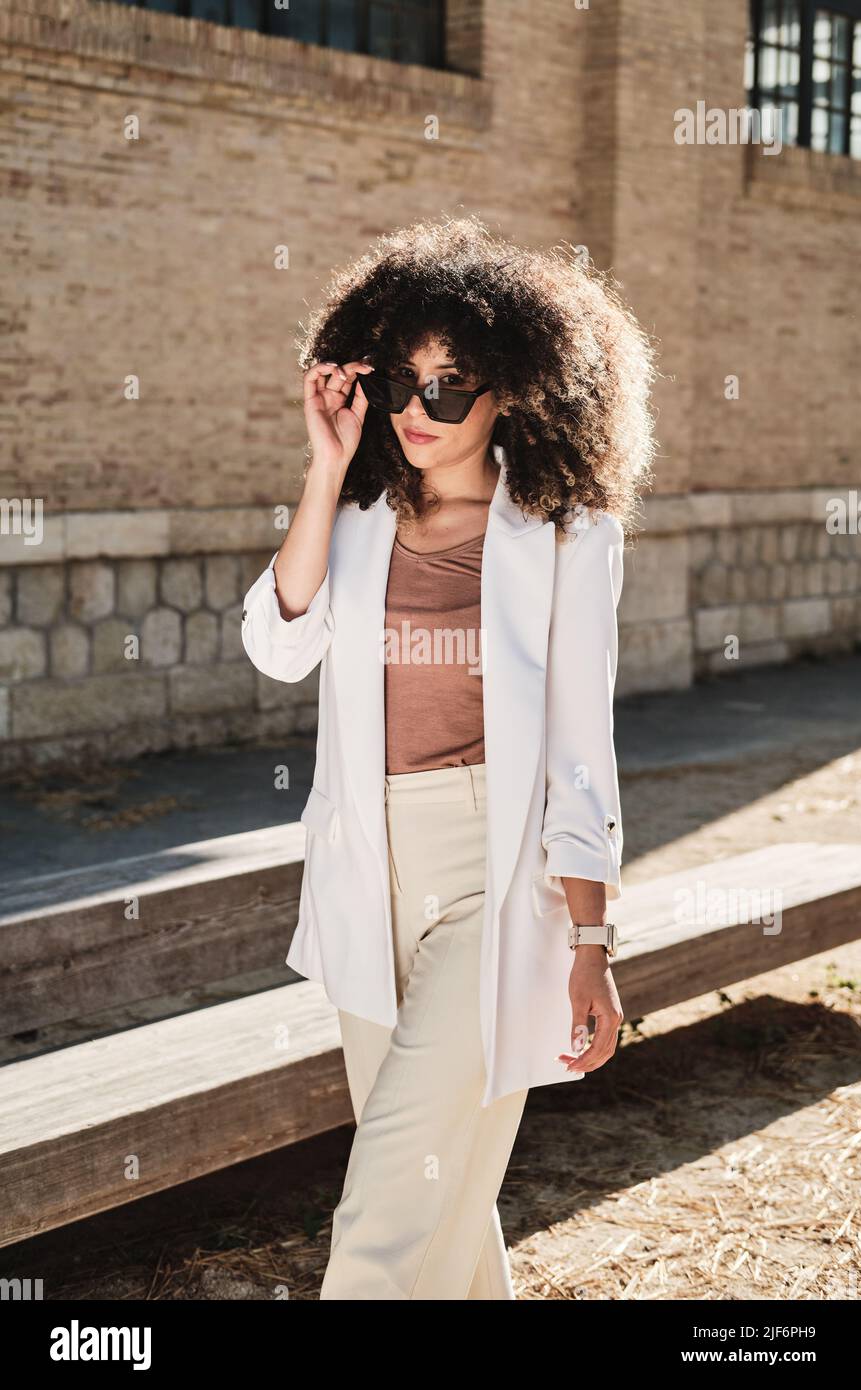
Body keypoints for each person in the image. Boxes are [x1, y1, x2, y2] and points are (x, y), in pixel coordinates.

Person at [241, 214, 656, 1300]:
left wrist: (589, 938)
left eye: (450, 385)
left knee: (386, 1203)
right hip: (365, 865)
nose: (420, 410)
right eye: (402, 380)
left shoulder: (564, 530)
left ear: (511, 389)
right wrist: (325, 471)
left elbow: (577, 748)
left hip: (494, 865)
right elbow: (275, 643)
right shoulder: (364, 515)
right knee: (443, 1192)